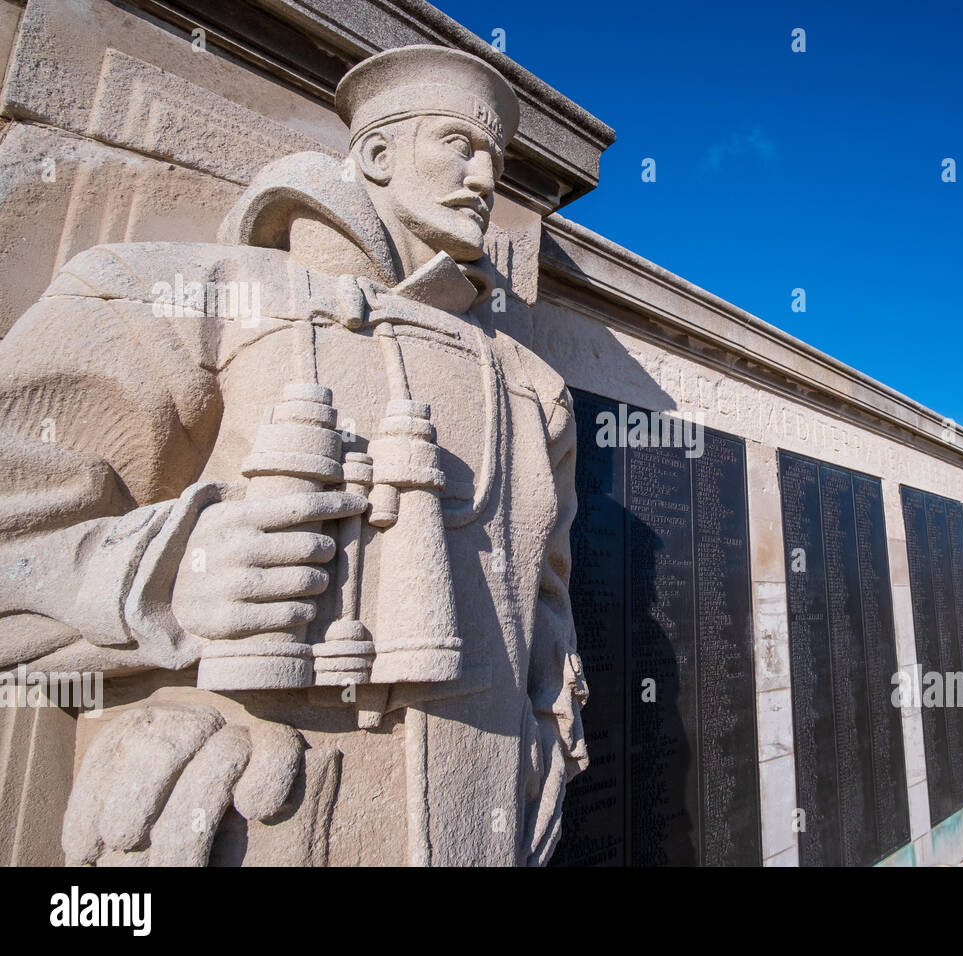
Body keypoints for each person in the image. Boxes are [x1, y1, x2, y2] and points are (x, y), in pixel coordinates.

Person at [0, 44, 587, 866]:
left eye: (495, 156)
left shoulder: (533, 388)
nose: (486, 178)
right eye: (460, 144)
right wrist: (174, 578)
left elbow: (547, 591)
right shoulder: (180, 293)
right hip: (247, 823)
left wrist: (548, 739)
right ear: (377, 154)